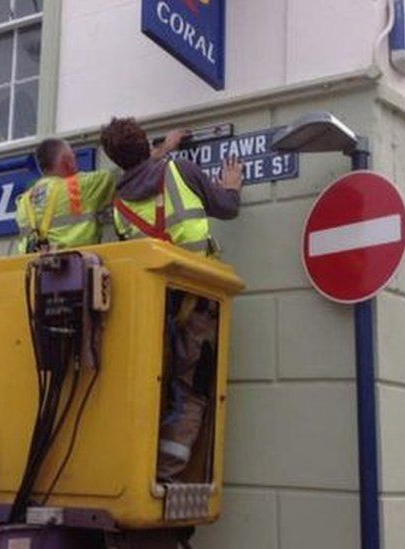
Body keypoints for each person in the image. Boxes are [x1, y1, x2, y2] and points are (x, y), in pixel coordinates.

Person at [99, 117, 244, 481]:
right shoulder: (182, 170)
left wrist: (159, 152)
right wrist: (231, 187)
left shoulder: (119, 204)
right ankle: (167, 474)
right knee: (192, 386)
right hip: (199, 301)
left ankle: (143, 469)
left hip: (158, 310)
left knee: (157, 384)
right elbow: (226, 208)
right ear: (146, 142)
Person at [15, 138, 116, 253]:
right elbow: (115, 176)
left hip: (35, 268)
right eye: (74, 157)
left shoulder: (24, 201)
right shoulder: (78, 186)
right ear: (67, 162)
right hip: (77, 266)